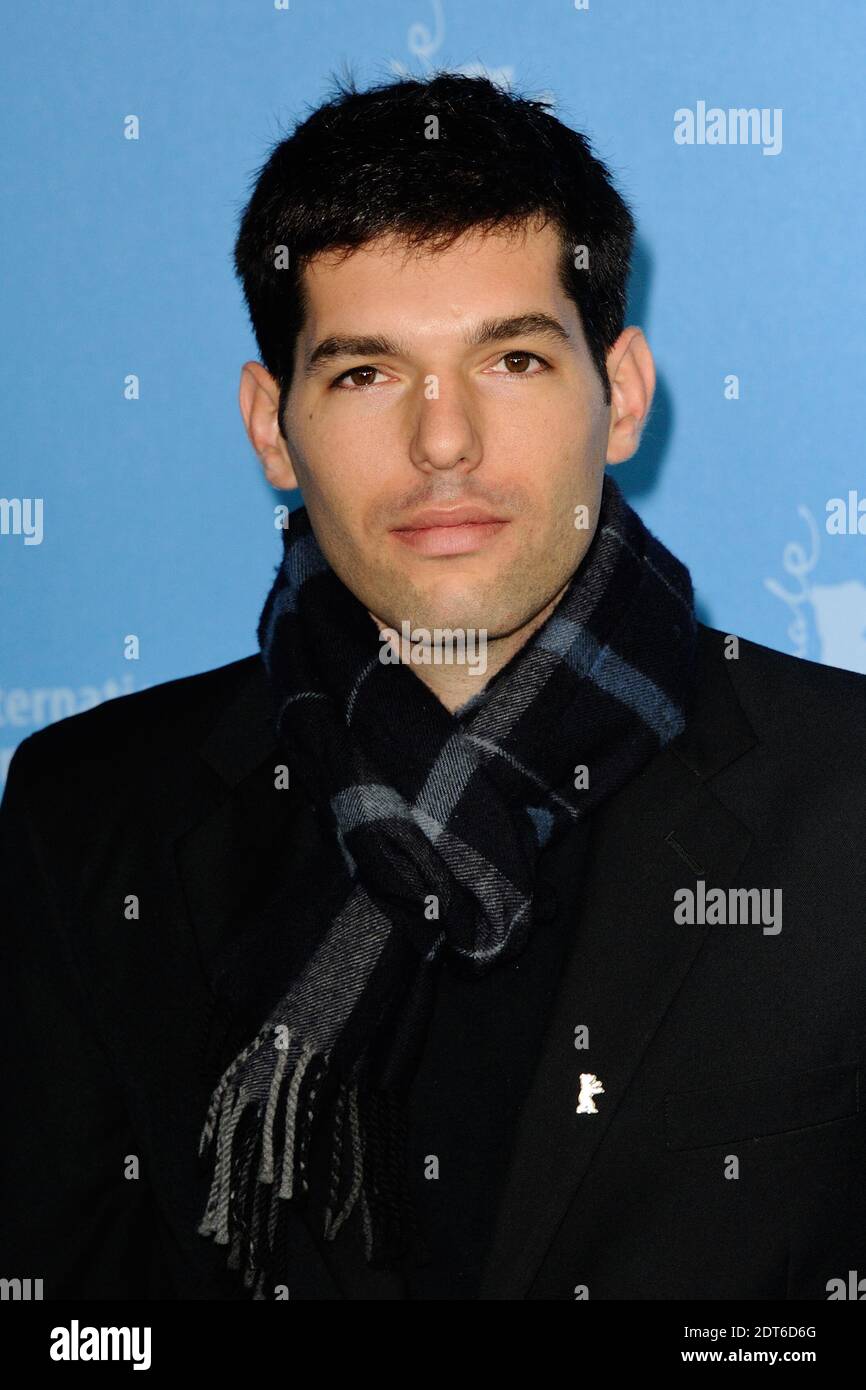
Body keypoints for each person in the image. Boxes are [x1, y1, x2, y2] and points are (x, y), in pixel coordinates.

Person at [2, 70, 865, 1302]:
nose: (442, 440)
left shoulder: (845, 807)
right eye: (363, 373)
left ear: (617, 395)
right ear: (269, 423)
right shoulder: (88, 816)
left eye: (510, 358)